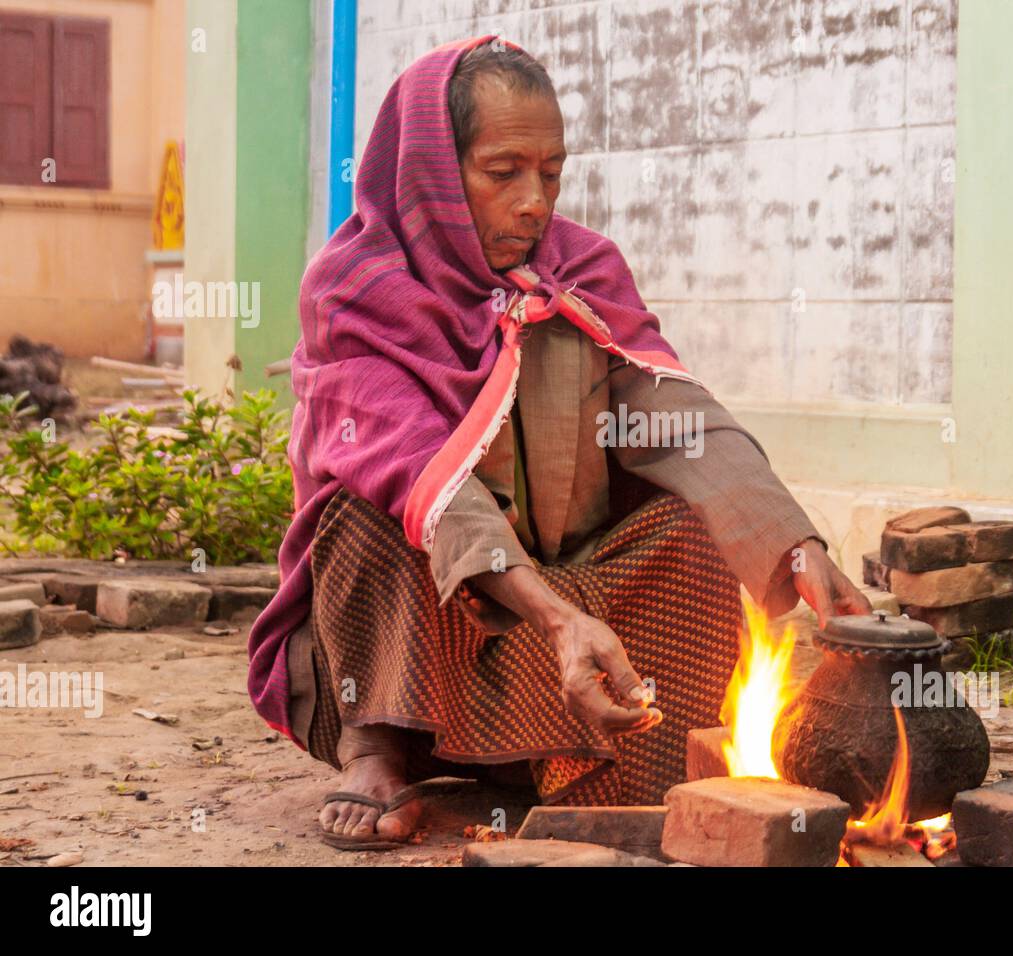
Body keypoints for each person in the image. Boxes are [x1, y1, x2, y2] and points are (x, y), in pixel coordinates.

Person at [246, 35, 871, 850]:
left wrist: (793, 544)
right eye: (503, 172)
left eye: (552, 171)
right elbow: (417, 472)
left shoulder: (581, 272)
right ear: (430, 173)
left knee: (698, 533)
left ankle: (575, 757)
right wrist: (555, 619)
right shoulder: (356, 289)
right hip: (441, 629)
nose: (535, 200)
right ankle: (378, 749)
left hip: (575, 619)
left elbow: (671, 412)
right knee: (366, 514)